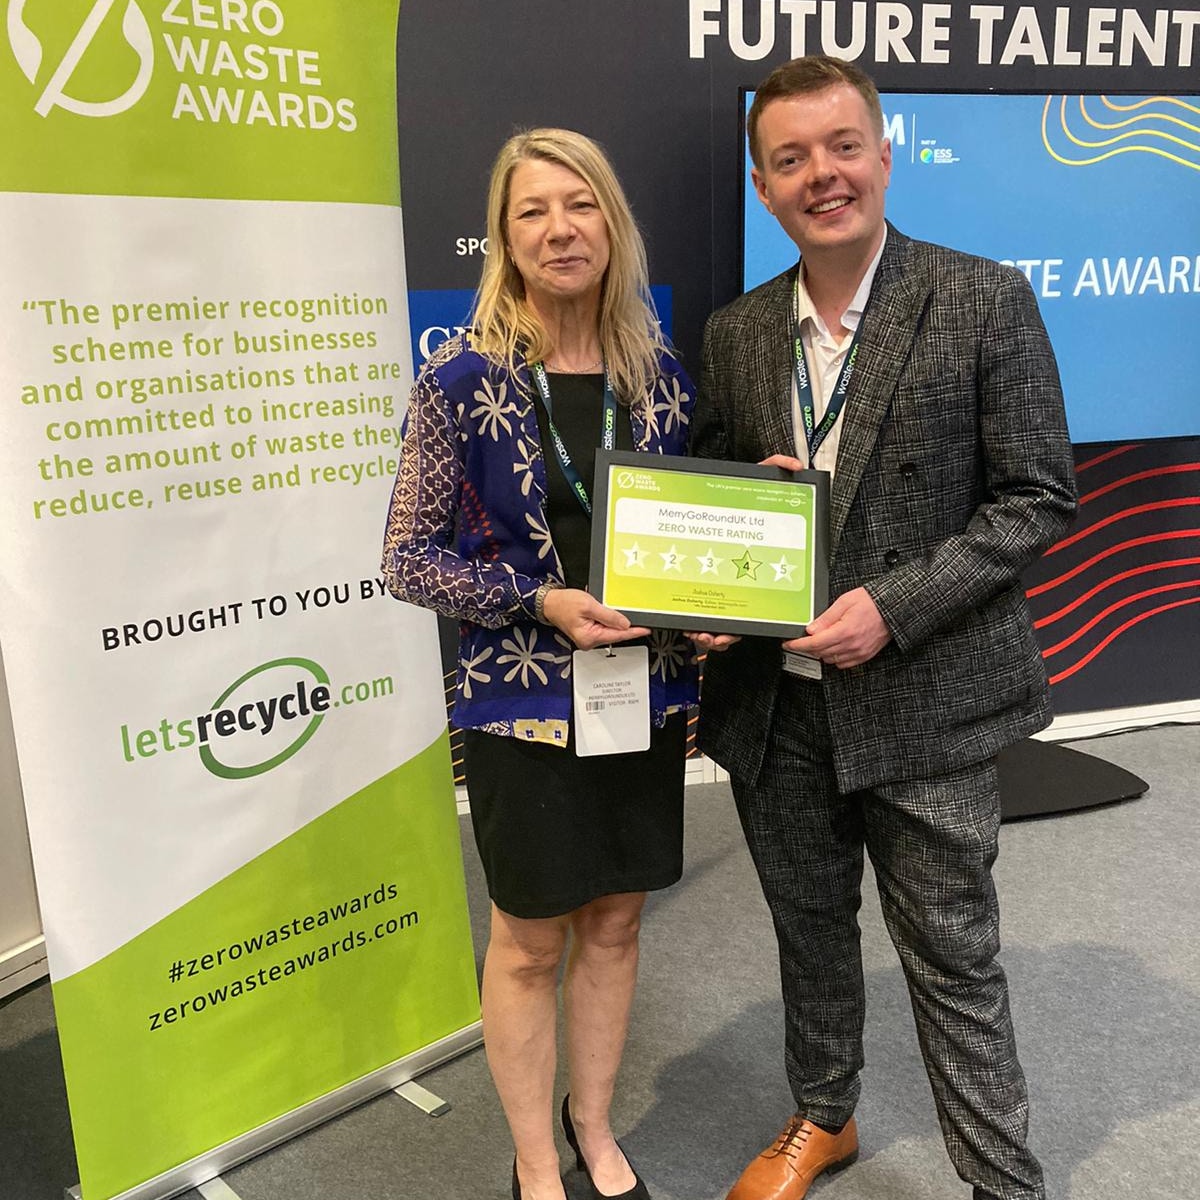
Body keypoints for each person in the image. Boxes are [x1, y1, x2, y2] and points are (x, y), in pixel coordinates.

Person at [690, 56, 1078, 1200]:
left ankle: (1003, 1182)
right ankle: (825, 1116)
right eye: (791, 158)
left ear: (885, 154)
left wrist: (892, 610)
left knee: (954, 958)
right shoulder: (737, 331)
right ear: (763, 186)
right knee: (808, 933)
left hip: (926, 701)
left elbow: (1035, 497)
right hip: (777, 712)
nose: (823, 174)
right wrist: (716, 580)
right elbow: (711, 484)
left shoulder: (983, 299)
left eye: (842, 146)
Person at [382, 128, 697, 1200]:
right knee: (526, 942)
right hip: (517, 705)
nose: (561, 229)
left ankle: (593, 1127)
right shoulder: (460, 379)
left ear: (613, 223)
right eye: (533, 211)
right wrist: (537, 601)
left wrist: (719, 597)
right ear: (505, 238)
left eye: (581, 204)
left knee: (615, 921)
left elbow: (679, 540)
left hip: (642, 698)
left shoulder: (659, 378)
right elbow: (406, 558)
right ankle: (532, 1163)